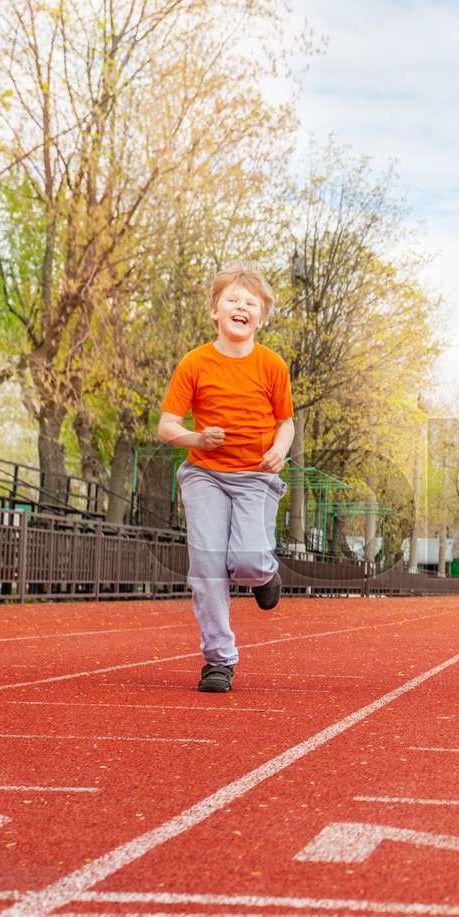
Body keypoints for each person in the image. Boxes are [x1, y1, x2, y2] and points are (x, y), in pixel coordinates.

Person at [158, 264, 295, 694]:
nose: (241, 307)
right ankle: (219, 660)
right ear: (215, 311)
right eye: (233, 300)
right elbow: (167, 426)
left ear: (261, 317)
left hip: (255, 476)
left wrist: (279, 449)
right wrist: (197, 437)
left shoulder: (272, 365)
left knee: (249, 562)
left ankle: (266, 574)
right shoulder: (195, 363)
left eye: (250, 303)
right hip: (204, 474)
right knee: (206, 565)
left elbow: (286, 422)